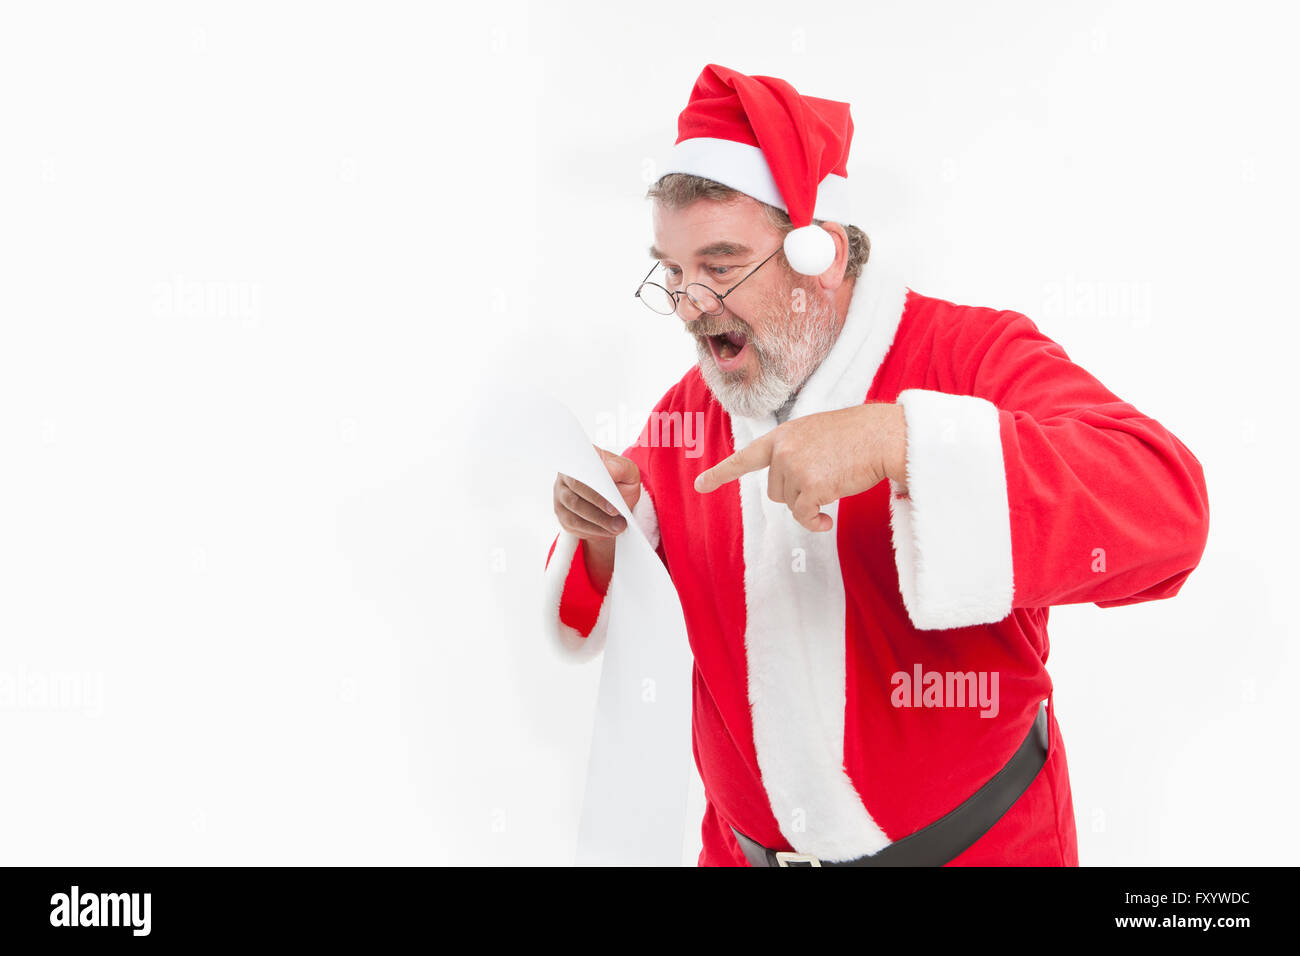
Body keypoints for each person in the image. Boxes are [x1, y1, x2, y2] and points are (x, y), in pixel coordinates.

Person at [544, 63, 1210, 866]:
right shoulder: (686, 415)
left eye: (721, 267)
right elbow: (605, 623)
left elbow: (1167, 506)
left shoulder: (971, 354)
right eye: (674, 270)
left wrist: (900, 444)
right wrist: (610, 531)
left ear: (819, 253)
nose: (689, 304)